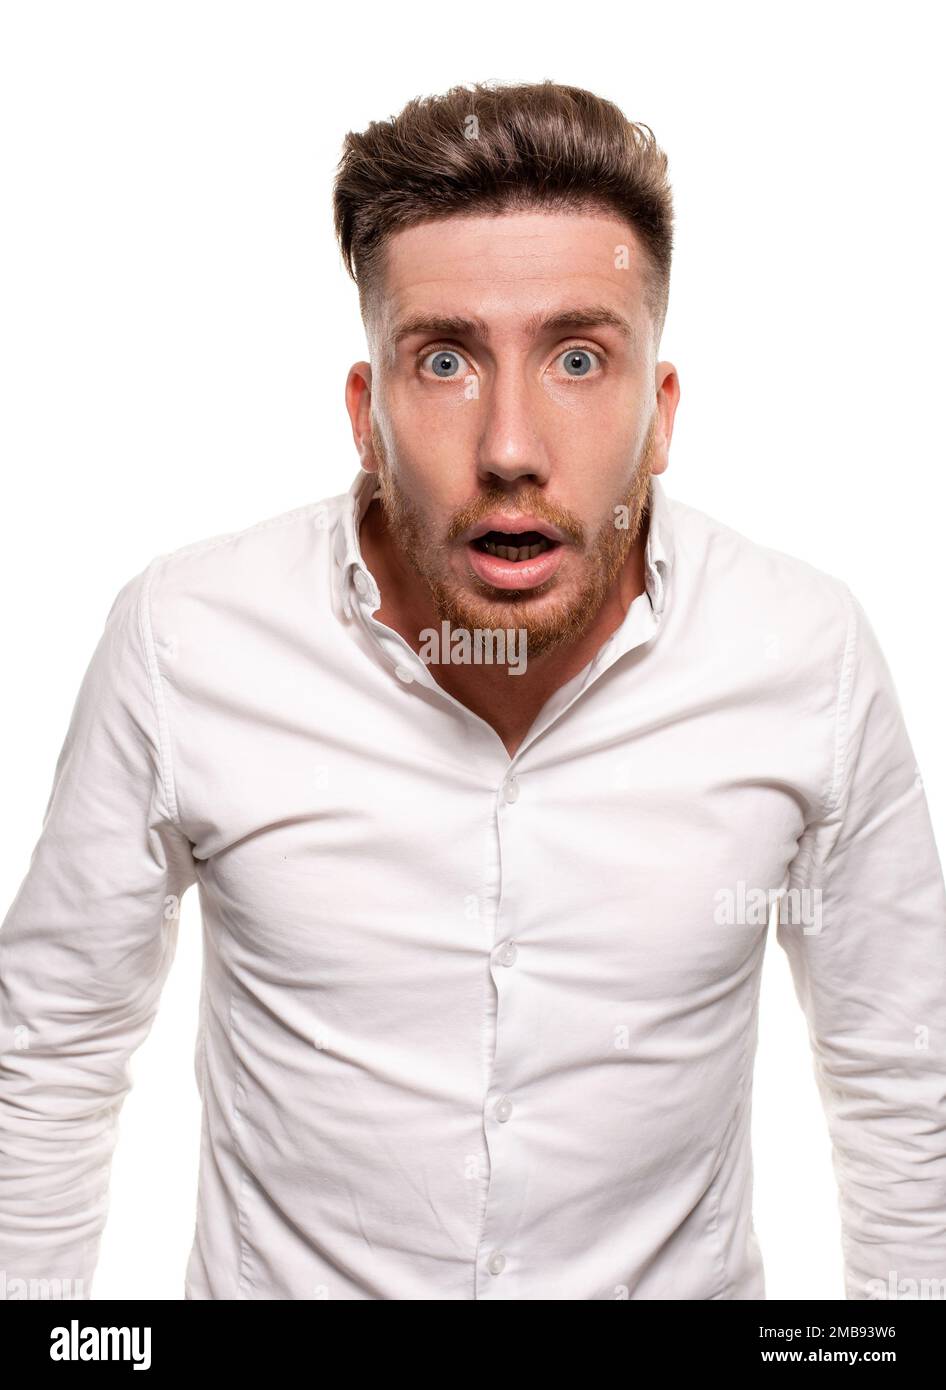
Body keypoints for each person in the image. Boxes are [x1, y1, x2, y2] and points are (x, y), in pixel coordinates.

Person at [1, 79, 944, 1302]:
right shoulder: (186, 639)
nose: (508, 445)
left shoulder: (804, 654)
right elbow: (50, 1048)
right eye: (443, 359)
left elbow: (900, 1068)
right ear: (366, 412)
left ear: (660, 414)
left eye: (577, 356)